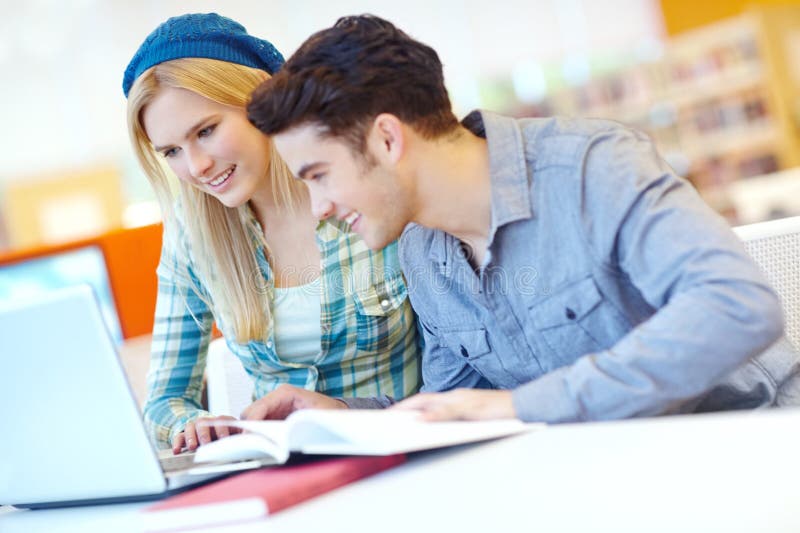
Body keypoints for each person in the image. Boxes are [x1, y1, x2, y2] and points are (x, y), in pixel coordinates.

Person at [242, 14, 800, 423]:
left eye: (318, 174)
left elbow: (738, 307)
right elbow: (456, 409)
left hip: (749, 443)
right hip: (608, 473)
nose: (320, 209)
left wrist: (520, 406)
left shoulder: (591, 168)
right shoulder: (421, 255)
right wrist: (339, 413)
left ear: (388, 138)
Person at [122, 13, 420, 451]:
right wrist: (197, 424)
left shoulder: (361, 188)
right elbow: (165, 402)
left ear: (259, 103)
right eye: (172, 151)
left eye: (206, 131)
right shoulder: (192, 236)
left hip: (405, 449)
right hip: (286, 472)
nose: (197, 166)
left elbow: (458, 371)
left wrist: (352, 413)